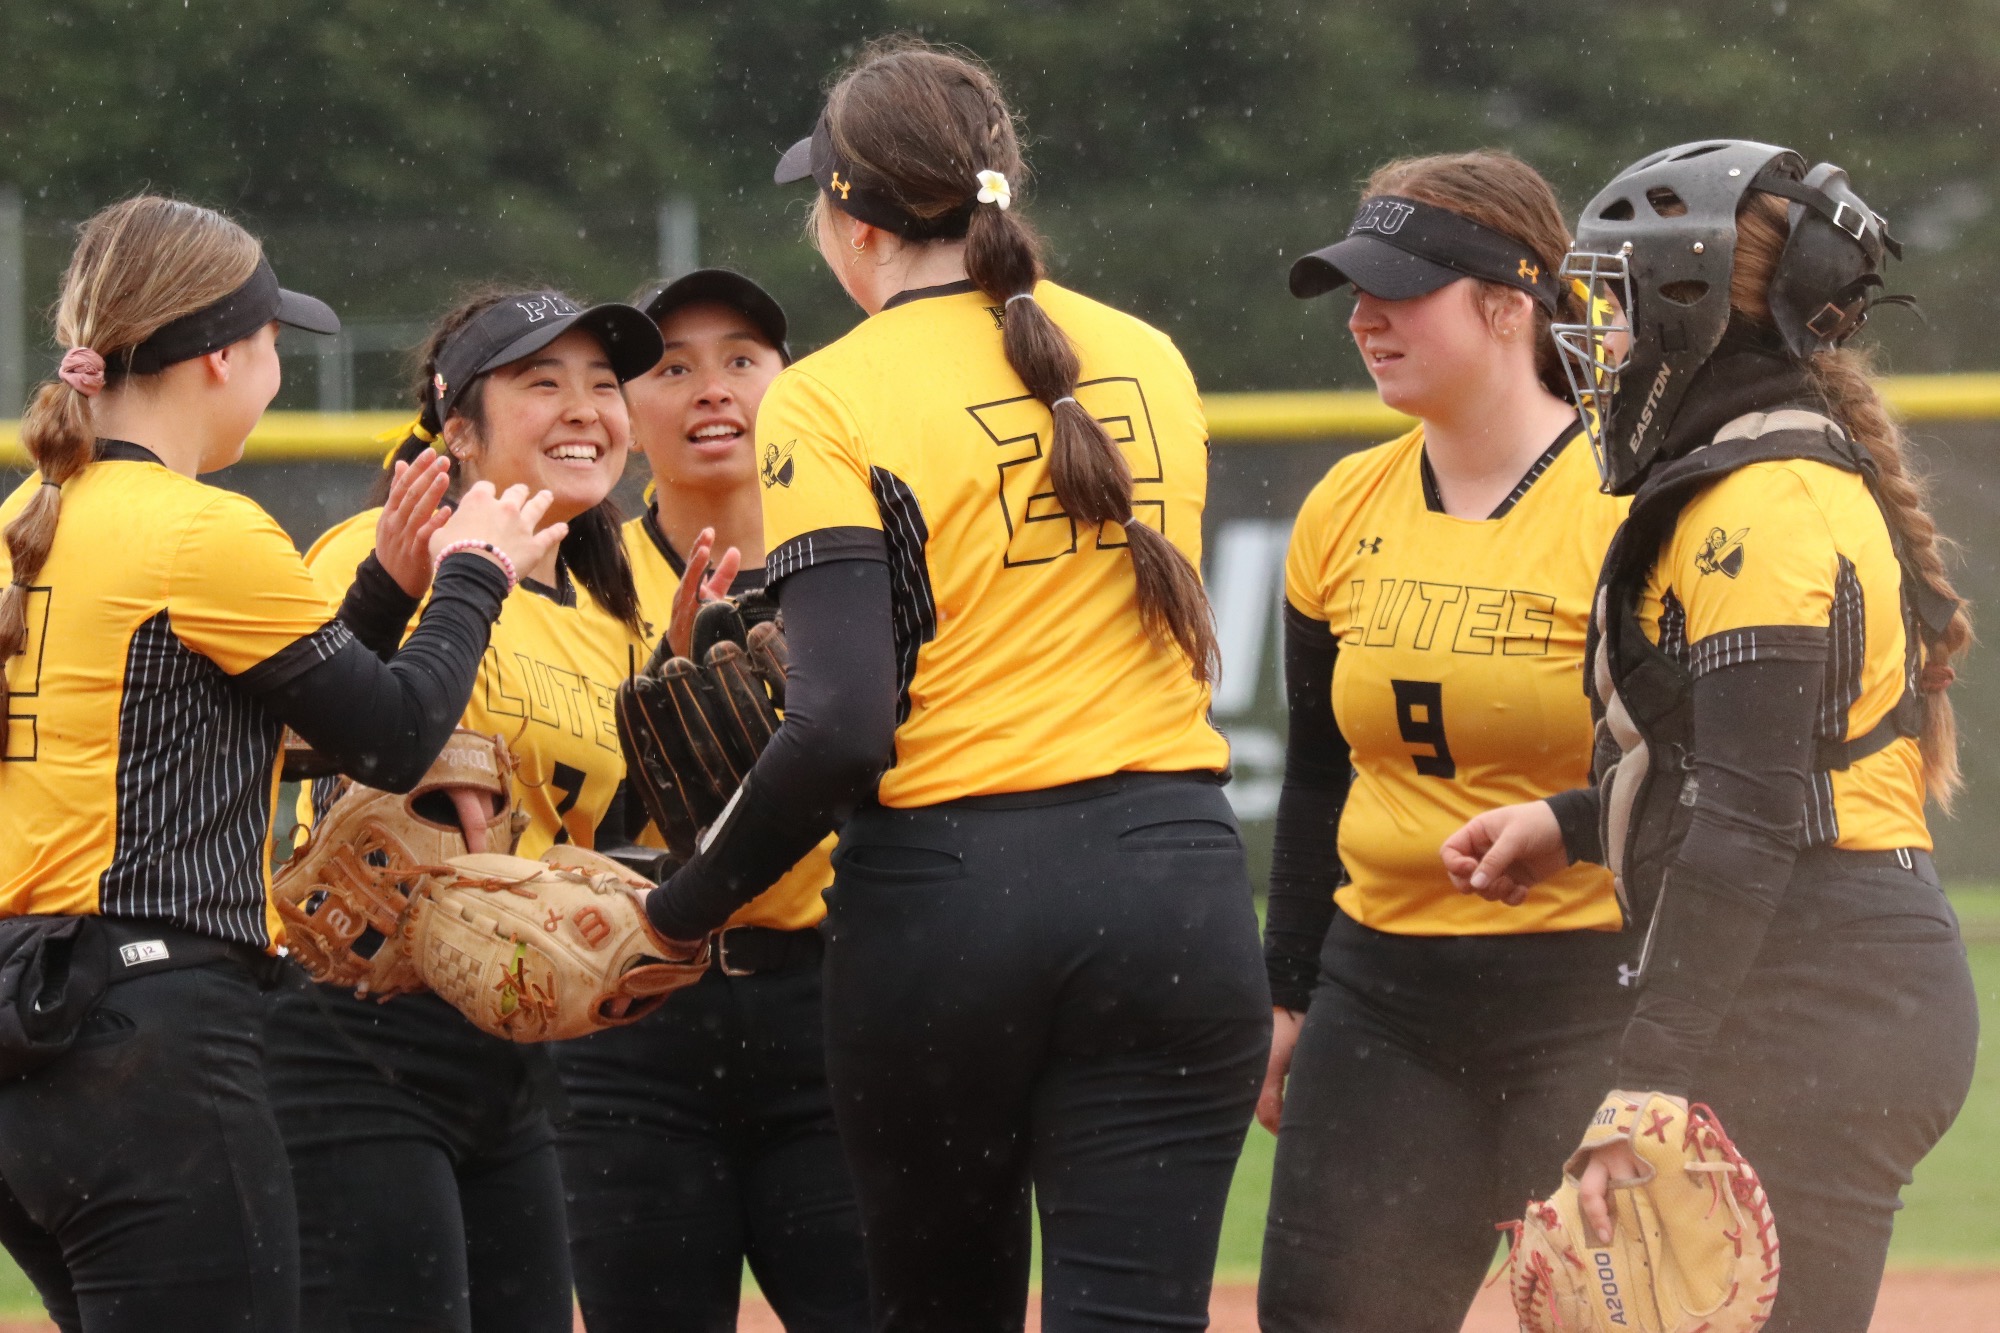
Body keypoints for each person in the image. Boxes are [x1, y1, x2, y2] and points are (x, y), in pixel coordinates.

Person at [638, 37, 1270, 1332]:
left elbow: (841, 728)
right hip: (1177, 889)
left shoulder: (827, 396)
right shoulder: (1145, 352)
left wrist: (683, 905)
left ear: (851, 218)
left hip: (951, 906)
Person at [1444, 140, 1980, 1333]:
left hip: (1821, 986)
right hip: (1818, 968)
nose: (1595, 339)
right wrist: (1578, 821)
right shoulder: (1747, 476)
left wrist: (1647, 1081)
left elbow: (1748, 815)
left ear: (1698, 316)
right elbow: (1737, 772)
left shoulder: (1766, 503)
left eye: (1618, 305)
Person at [0, 196, 555, 1333]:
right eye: (268, 345)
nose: (277, 371)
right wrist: (474, 574)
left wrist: (389, 592)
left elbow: (255, 727)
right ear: (217, 356)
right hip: (148, 1033)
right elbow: (393, 738)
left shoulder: (28, 520)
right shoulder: (200, 529)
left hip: (28, 1030)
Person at [1254, 151, 1634, 1333]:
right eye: (1353, 292)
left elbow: (1689, 777)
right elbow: (1319, 772)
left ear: (1508, 303)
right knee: (1325, 1316)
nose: (1363, 318)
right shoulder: (1342, 505)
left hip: (1586, 986)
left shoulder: (1627, 506)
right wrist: (1285, 995)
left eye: (1398, 289)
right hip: (1384, 988)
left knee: (1590, 1318)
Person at [263, 287, 663, 1333]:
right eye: (541, 383)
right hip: (356, 1034)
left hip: (516, 1049)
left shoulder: (619, 620)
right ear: (458, 429)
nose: (583, 408)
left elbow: (614, 854)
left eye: (603, 385)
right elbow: (322, 745)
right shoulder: (382, 549)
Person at [554, 268, 870, 1332]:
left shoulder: (858, 565)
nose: (709, 390)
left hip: (832, 1010)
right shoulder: (578, 582)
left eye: (741, 359)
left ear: (789, 388)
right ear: (627, 417)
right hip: (632, 1022)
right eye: (671, 368)